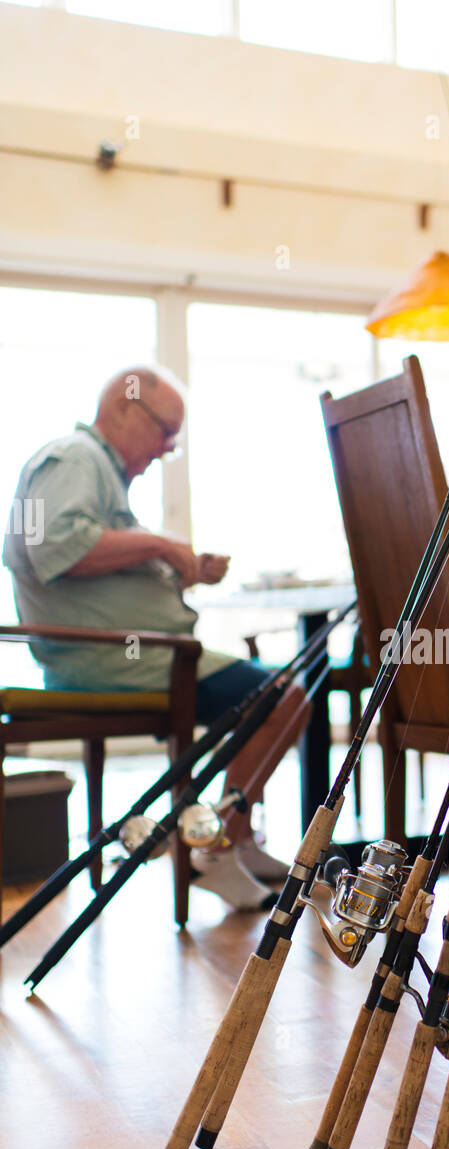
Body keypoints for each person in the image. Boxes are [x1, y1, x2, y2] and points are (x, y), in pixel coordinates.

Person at [3, 365, 311, 910]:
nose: (169, 448)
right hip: (114, 661)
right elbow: (52, 548)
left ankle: (228, 840)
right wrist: (161, 547)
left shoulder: (89, 467)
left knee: (275, 696)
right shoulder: (77, 456)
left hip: (115, 656)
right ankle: (216, 847)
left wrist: (174, 568)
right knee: (284, 698)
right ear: (125, 409)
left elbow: (78, 553)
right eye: (167, 431)